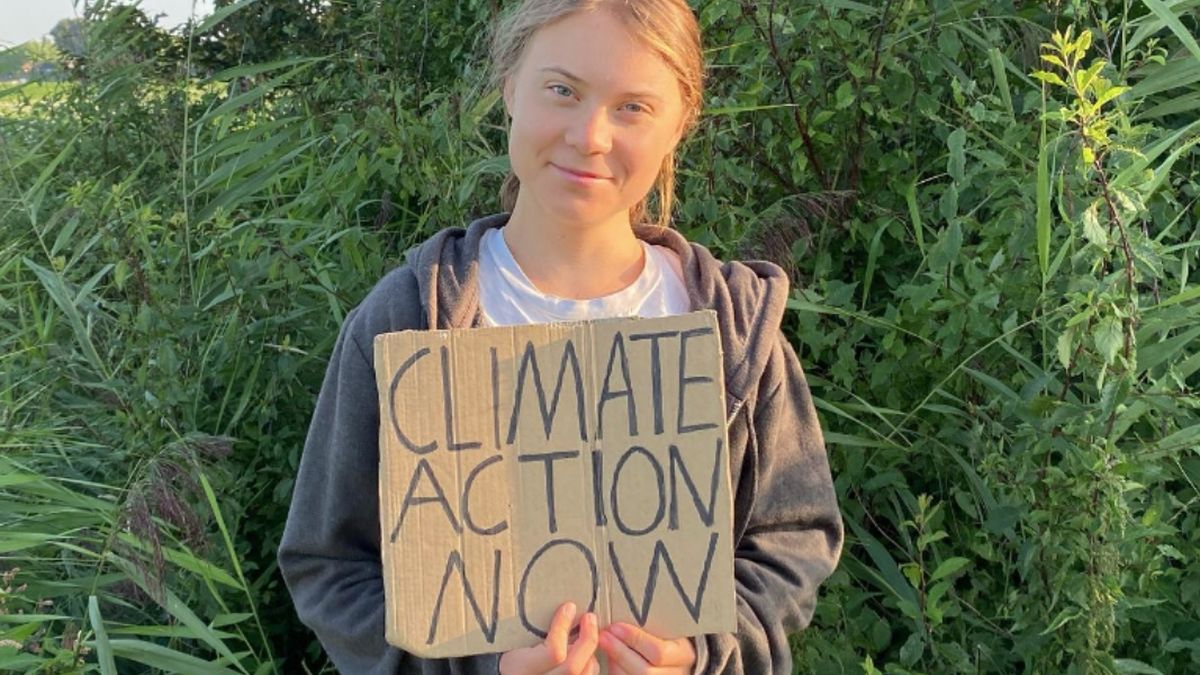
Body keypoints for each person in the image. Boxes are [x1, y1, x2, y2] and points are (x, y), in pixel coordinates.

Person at [277, 0, 843, 673]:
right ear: (510, 83)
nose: (590, 135)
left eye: (633, 106)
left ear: (681, 122)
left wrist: (701, 655)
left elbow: (793, 539)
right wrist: (476, 665)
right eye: (562, 90)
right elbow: (329, 566)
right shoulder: (407, 318)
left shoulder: (729, 324)